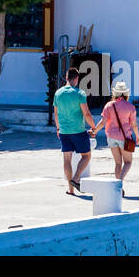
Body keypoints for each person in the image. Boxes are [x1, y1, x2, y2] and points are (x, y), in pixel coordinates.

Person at [53, 67, 96, 195]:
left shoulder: (58, 93)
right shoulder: (79, 93)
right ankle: (76, 178)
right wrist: (93, 127)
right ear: (76, 79)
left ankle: (70, 189)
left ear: (66, 78)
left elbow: (56, 114)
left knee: (67, 159)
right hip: (78, 130)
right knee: (86, 155)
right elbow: (86, 113)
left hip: (64, 131)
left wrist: (58, 128)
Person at [93, 80, 139, 181]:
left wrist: (94, 131)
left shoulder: (109, 105)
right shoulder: (130, 107)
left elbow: (102, 122)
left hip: (111, 137)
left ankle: (116, 186)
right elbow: (134, 125)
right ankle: (119, 182)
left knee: (118, 163)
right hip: (124, 138)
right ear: (126, 94)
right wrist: (137, 136)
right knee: (128, 162)